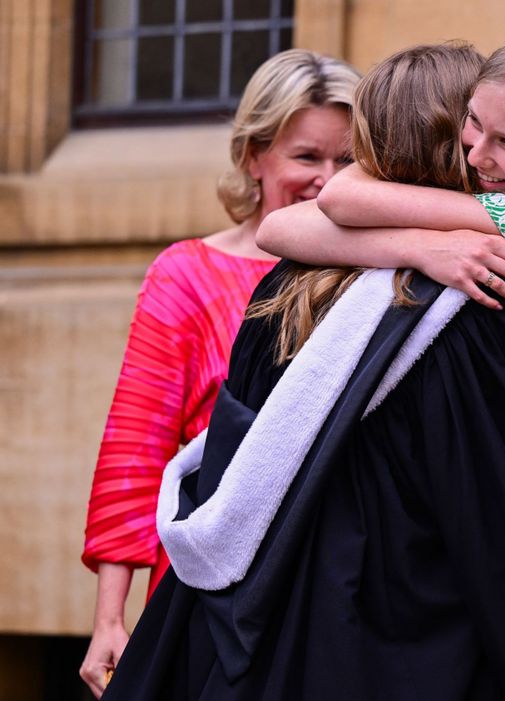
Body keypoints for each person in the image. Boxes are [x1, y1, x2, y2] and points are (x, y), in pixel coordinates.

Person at [100, 40, 505, 701]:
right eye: (473, 133)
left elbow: (298, 224)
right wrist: (424, 246)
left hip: (265, 632)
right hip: (401, 641)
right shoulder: (467, 313)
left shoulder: (285, 295)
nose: (482, 157)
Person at [77, 49, 358, 698]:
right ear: (254, 155)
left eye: (347, 160)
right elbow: (135, 447)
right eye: (307, 157)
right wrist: (110, 617)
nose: (329, 179)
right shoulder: (187, 274)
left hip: (334, 582)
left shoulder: (375, 274)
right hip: (211, 588)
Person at [255, 29, 505, 333]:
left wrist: (414, 241)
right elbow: (274, 228)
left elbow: (337, 199)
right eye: (475, 121)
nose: (477, 156)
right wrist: (420, 247)